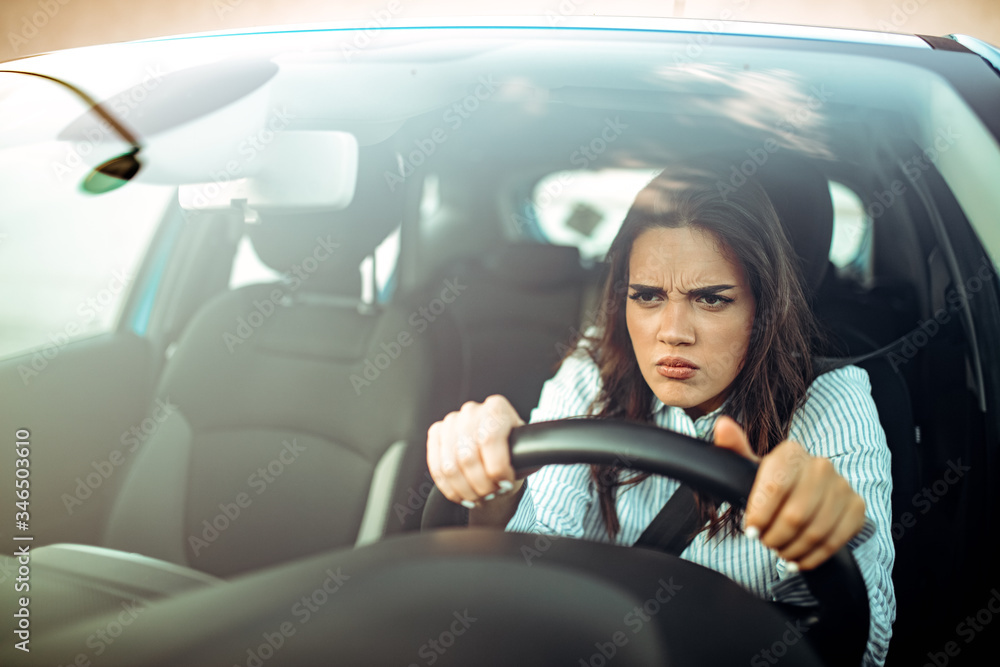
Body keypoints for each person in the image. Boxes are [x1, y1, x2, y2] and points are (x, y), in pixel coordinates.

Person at [425, 165, 895, 666]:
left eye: (711, 299)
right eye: (647, 296)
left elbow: (870, 646)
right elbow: (536, 561)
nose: (672, 332)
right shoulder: (593, 371)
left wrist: (824, 544)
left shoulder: (831, 401)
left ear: (765, 309)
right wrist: (493, 480)